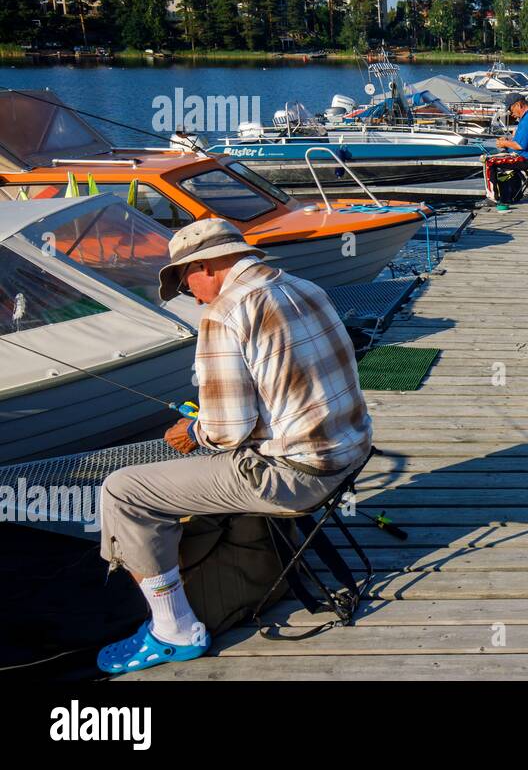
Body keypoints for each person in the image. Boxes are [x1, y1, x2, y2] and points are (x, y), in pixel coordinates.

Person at [95, 219, 372, 674]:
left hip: (296, 477)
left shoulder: (224, 312)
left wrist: (193, 431)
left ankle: (175, 631)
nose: (195, 296)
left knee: (123, 490)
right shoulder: (304, 287)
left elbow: (226, 432)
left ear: (203, 266)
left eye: (187, 285)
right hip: (351, 453)